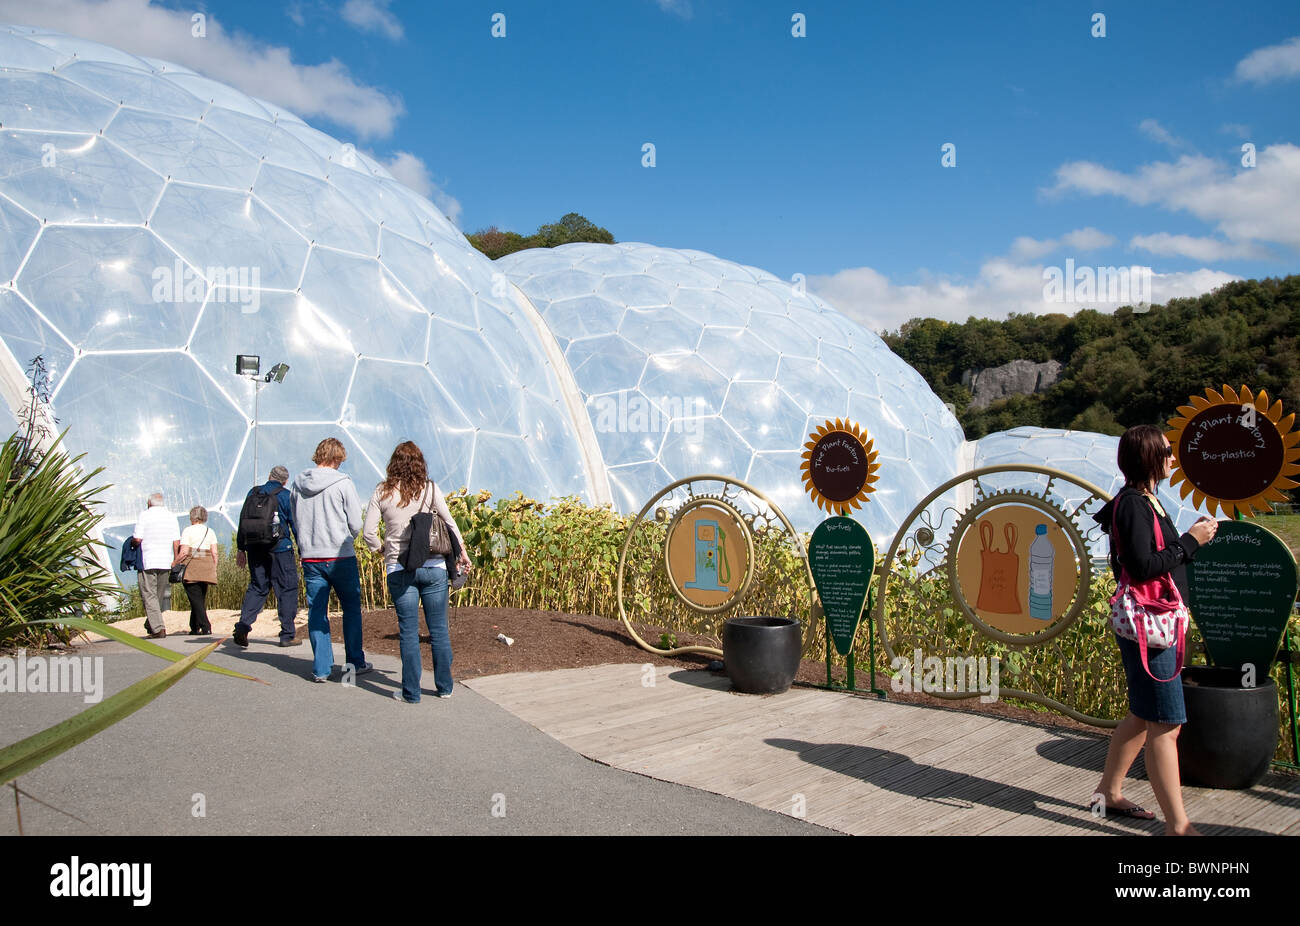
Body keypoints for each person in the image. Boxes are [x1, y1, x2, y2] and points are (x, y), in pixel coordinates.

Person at [1090, 424, 1217, 836]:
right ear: (1148, 457)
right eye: (1166, 450)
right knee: (1167, 724)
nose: (1172, 457)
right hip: (1151, 628)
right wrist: (1191, 542)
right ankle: (1178, 826)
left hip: (1155, 622)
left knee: (1143, 715)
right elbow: (1143, 566)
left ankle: (1108, 792)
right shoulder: (1133, 505)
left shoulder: (1146, 500)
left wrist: (1189, 541)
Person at [362, 441, 471, 703]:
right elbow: (450, 523)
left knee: (408, 632)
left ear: (393, 463)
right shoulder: (430, 489)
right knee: (439, 630)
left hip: (399, 567)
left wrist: (382, 550)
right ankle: (444, 687)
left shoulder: (382, 491)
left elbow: (368, 532)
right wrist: (463, 553)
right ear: (420, 463)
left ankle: (411, 692)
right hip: (433, 567)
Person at [292, 437, 370, 683]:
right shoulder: (343, 483)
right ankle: (354, 662)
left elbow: (295, 519)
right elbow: (356, 522)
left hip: (311, 556)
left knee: (317, 611)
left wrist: (305, 543)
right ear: (337, 458)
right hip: (340, 555)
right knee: (351, 609)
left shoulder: (298, 484)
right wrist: (349, 537)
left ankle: (321, 668)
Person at [233, 465, 301, 648]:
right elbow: (295, 525)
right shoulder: (286, 496)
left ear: (269, 476)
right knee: (287, 588)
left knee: (257, 587)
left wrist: (241, 549)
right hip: (280, 549)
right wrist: (303, 550)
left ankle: (243, 626)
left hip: (255, 548)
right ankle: (287, 634)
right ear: (285, 481)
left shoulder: (253, 492)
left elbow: (243, 520)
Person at [132, 492, 180, 639]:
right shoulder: (171, 516)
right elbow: (176, 541)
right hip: (165, 560)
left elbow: (138, 538)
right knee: (158, 594)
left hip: (148, 560)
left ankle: (158, 628)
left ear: (149, 503)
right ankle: (151, 623)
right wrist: (176, 559)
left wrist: (131, 543)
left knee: (149, 594)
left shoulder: (144, 515)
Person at [177, 505, 218, 635]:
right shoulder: (210, 531)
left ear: (192, 517)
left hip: (192, 567)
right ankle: (194, 627)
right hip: (206, 566)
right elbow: (214, 552)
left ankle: (206, 626)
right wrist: (214, 567)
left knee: (195, 598)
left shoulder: (188, 531)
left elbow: (184, 552)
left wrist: (174, 563)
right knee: (199, 598)